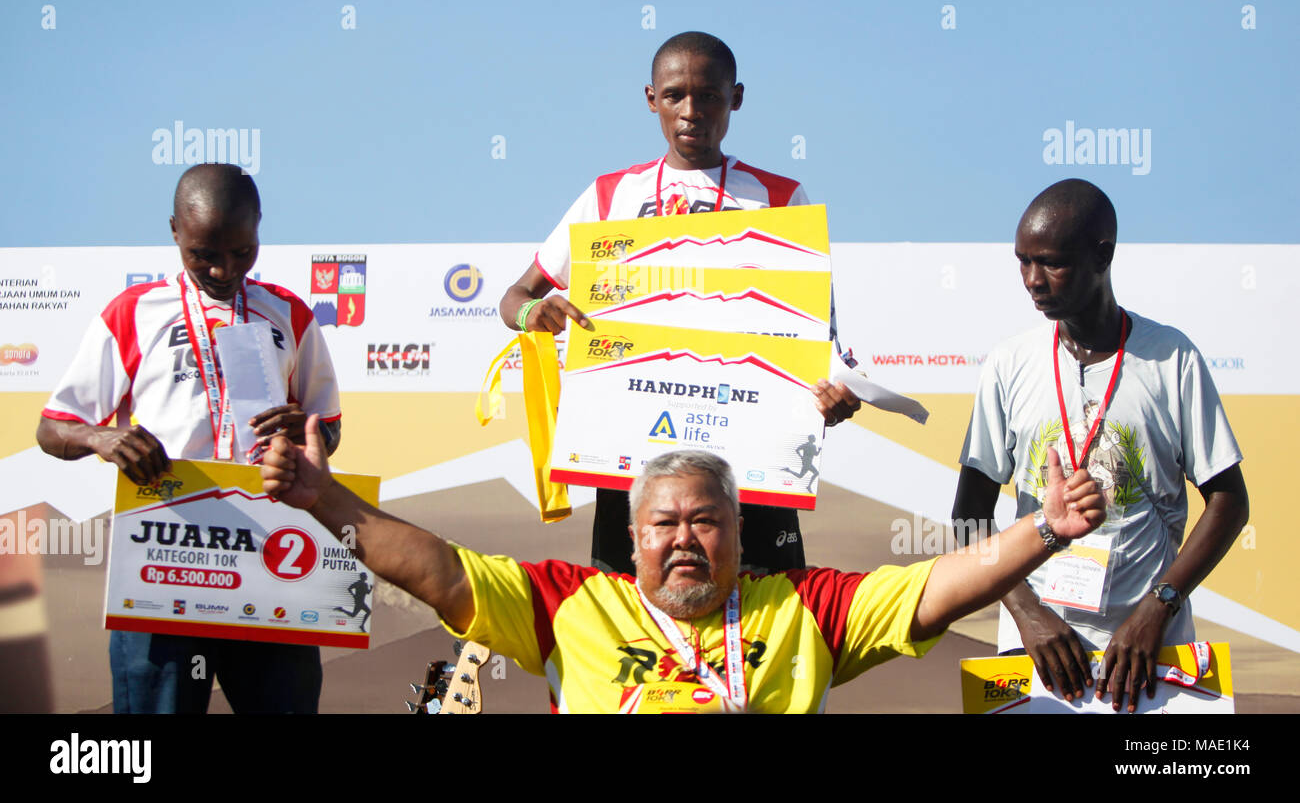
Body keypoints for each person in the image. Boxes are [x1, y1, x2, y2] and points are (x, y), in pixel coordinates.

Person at [262, 419, 1105, 713]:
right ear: (633, 540)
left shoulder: (800, 607)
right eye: (664, 523)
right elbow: (437, 571)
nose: (685, 538)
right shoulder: (571, 605)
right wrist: (324, 500)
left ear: (738, 534)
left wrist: (1046, 528)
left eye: (706, 520)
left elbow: (935, 587)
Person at [498, 31, 860, 575]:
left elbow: (818, 335)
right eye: (675, 96)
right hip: (632, 463)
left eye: (709, 96)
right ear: (651, 99)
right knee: (633, 631)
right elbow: (516, 296)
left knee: (765, 628)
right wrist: (534, 314)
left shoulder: (780, 197)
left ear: (736, 97)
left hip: (751, 467)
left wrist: (835, 391)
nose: (692, 111)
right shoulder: (611, 194)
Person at [36, 162, 343, 713]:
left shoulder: (290, 314)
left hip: (271, 556)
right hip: (165, 559)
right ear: (175, 231)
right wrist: (102, 440)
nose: (224, 270)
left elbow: (329, 425)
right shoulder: (133, 313)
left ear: (258, 232)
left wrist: (307, 428)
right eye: (203, 253)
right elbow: (53, 426)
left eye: (242, 251)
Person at [952, 178, 1249, 713]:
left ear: (1102, 254)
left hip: (1150, 656)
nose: (1032, 281)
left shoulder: (1171, 359)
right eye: (1022, 262)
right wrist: (1026, 614)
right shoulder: (1009, 363)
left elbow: (1229, 502)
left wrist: (1159, 606)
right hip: (1035, 657)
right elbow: (968, 516)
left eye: (1050, 263)